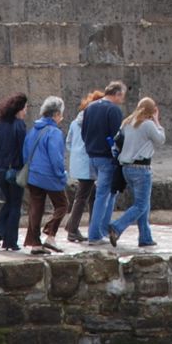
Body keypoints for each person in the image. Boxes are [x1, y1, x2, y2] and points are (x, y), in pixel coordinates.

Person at [104, 96, 166, 250]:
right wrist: (157, 121)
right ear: (152, 111)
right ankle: (116, 227)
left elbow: (116, 145)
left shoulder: (127, 123)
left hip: (126, 168)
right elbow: (160, 140)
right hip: (141, 169)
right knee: (141, 204)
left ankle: (145, 237)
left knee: (143, 204)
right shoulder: (148, 125)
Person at [80, 80, 127, 250]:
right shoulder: (113, 110)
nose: (122, 100)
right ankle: (95, 235)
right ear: (117, 94)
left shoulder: (90, 107)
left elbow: (84, 132)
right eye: (122, 96)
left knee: (109, 193)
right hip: (107, 157)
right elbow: (117, 136)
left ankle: (103, 230)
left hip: (92, 155)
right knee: (102, 195)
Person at [21, 95, 69, 253]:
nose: (61, 117)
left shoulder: (33, 129)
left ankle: (35, 244)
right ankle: (50, 234)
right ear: (55, 114)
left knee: (36, 209)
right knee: (62, 205)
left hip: (33, 176)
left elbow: (25, 152)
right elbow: (56, 158)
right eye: (61, 114)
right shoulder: (54, 132)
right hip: (49, 176)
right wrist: (61, 175)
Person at [0, 93, 29, 250]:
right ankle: (10, 241)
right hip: (13, 170)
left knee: (10, 203)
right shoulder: (19, 125)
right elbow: (23, 149)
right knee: (15, 206)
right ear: (19, 109)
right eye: (25, 108)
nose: (26, 112)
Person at [62, 89, 104, 243]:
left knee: (89, 195)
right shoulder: (94, 122)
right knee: (83, 196)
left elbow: (68, 143)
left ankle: (81, 227)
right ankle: (73, 229)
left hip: (78, 163)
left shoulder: (75, 122)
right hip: (88, 163)